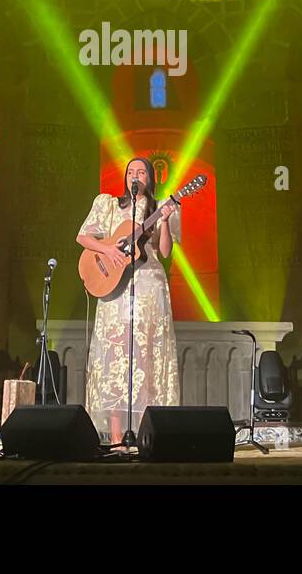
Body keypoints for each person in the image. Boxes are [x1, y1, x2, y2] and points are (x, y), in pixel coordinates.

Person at [76, 158, 181, 442]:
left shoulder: (160, 207)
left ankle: (148, 436)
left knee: (146, 357)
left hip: (149, 288)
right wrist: (108, 250)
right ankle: (115, 438)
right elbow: (83, 237)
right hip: (114, 286)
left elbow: (165, 251)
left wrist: (167, 221)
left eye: (141, 172)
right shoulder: (108, 204)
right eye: (131, 172)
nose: (135, 176)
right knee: (115, 359)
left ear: (150, 178)